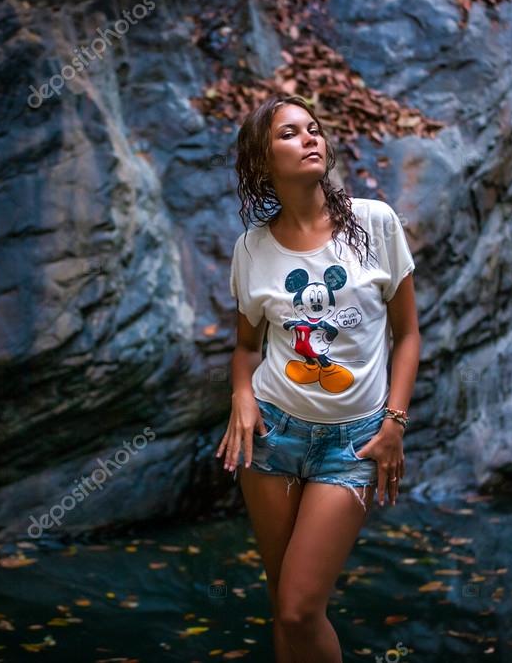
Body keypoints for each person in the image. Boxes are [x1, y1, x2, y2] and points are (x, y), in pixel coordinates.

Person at [213, 94, 421, 663]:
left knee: (300, 609)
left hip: (352, 443)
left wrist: (394, 423)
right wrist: (241, 396)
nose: (309, 138)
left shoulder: (375, 223)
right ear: (262, 161)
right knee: (282, 603)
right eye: (289, 133)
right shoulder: (251, 248)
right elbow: (246, 348)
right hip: (272, 434)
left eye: (313, 129)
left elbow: (407, 335)